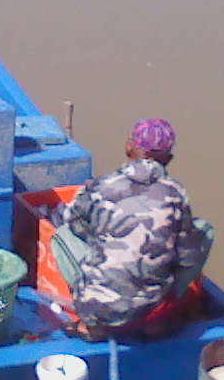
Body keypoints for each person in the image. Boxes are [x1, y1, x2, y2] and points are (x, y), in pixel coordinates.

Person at [48, 118, 210, 341]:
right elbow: (187, 258)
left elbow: (72, 222)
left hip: (97, 308)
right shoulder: (176, 194)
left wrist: (100, 235)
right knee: (204, 231)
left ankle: (90, 325)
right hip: (151, 309)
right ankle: (158, 318)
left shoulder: (100, 186)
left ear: (129, 147)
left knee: (61, 235)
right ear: (168, 159)